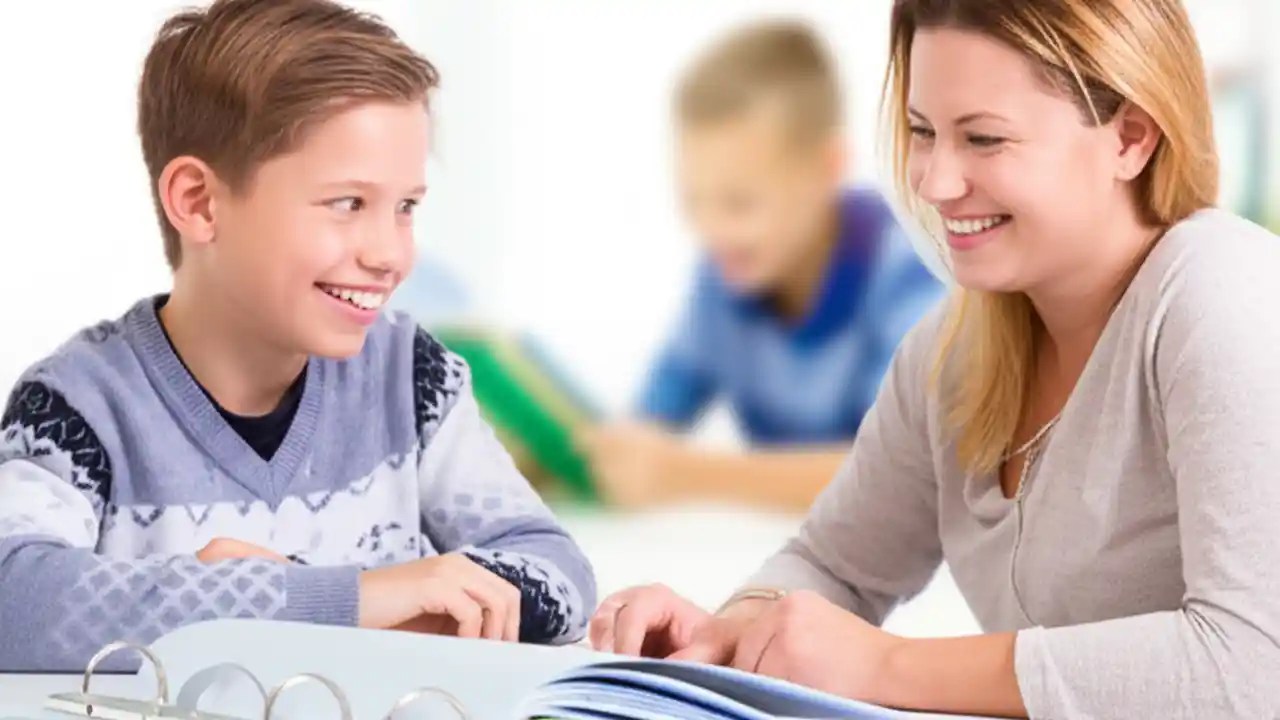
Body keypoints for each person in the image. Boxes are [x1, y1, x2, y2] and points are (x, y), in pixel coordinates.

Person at [589, 0, 1280, 717]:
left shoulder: (1224, 295)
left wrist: (886, 665)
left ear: (1130, 139)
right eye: (923, 132)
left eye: (984, 139)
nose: (935, 182)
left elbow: (1256, 667)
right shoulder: (953, 352)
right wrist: (728, 634)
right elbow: (833, 566)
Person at [0, 0, 596, 672]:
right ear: (198, 201)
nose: (391, 254)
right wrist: (345, 600)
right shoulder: (79, 408)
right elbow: (14, 600)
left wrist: (362, 609)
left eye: (406, 207)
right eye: (348, 203)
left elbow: (556, 567)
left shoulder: (410, 377)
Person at [580, 20, 943, 512]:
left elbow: (899, 474)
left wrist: (685, 473)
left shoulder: (910, 273)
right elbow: (651, 423)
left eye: (739, 203)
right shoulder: (726, 276)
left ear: (826, 169)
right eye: (694, 201)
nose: (712, 230)